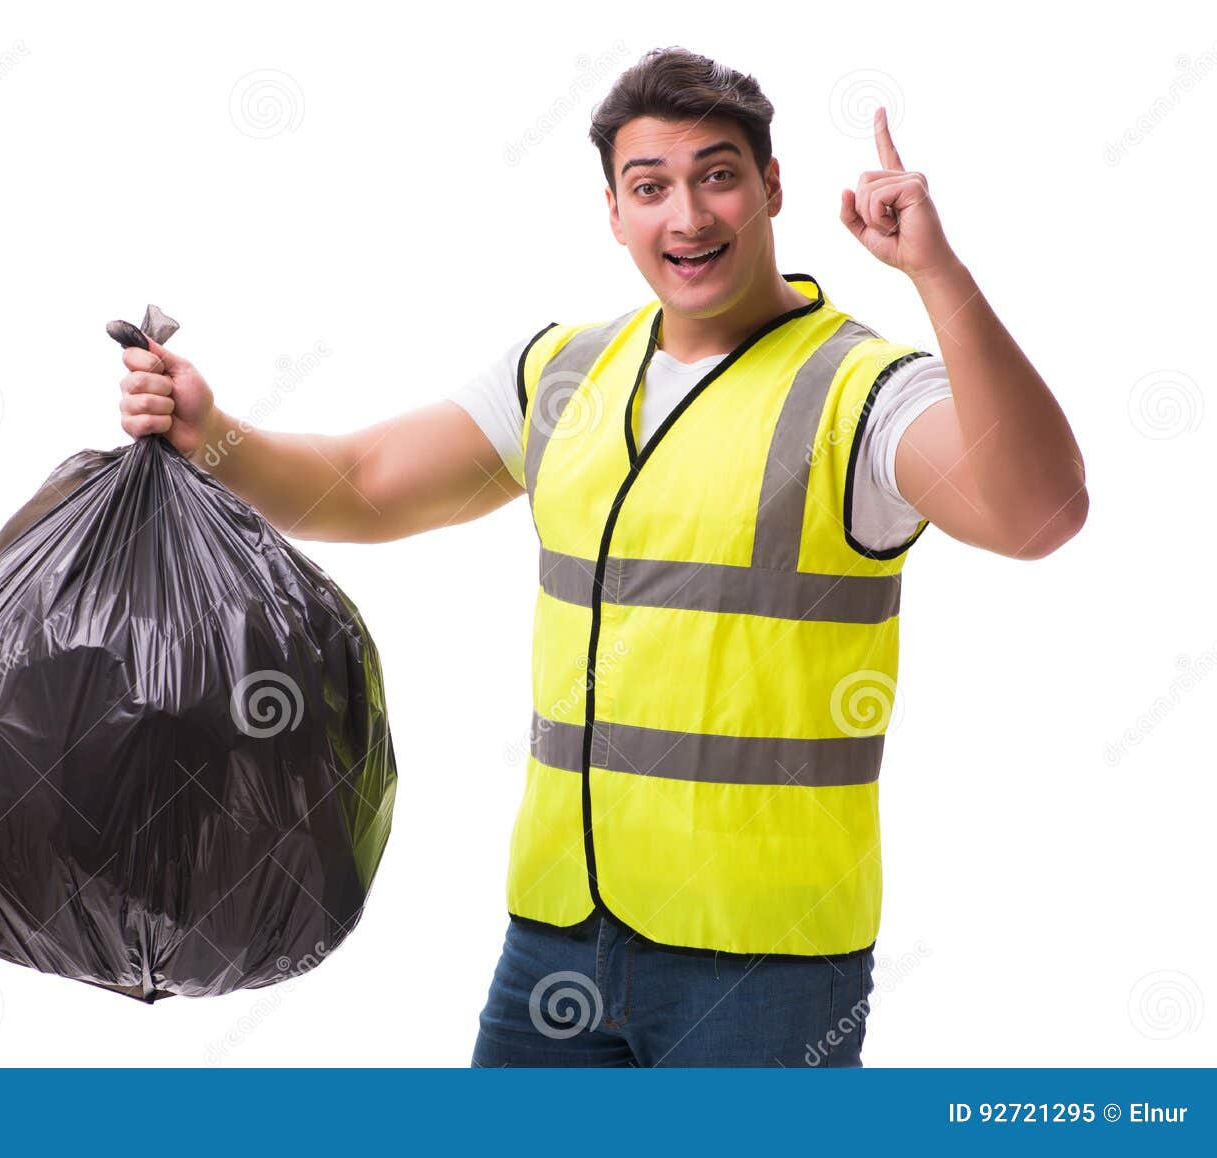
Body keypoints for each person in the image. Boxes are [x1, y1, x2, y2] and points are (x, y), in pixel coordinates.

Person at [116, 47, 1087, 1066]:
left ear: (771, 189)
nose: (688, 216)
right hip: (557, 939)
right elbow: (361, 481)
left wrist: (936, 274)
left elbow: (1037, 513)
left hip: (764, 963)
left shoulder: (863, 389)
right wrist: (209, 431)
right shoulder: (564, 371)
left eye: (717, 175)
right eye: (649, 186)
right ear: (614, 213)